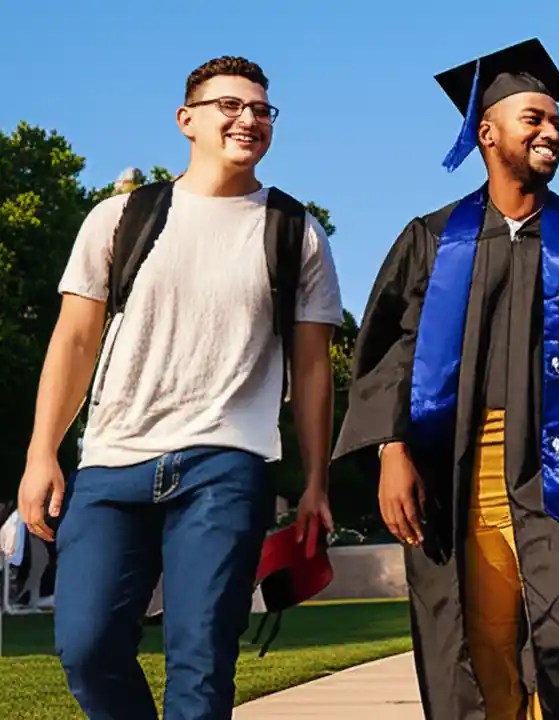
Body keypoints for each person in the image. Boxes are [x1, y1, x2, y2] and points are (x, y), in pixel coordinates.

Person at [333, 38, 559, 720]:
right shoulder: (432, 238)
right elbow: (390, 351)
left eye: (557, 123)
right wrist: (392, 450)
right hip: (454, 471)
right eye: (534, 119)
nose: (551, 133)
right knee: (473, 647)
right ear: (487, 133)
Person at [17, 56, 343, 719]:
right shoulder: (120, 217)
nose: (248, 119)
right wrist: (40, 452)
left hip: (226, 463)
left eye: (260, 109)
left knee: (201, 659)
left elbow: (312, 370)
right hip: (113, 461)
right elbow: (75, 342)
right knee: (87, 647)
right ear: (186, 120)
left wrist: (315, 483)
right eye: (230, 105)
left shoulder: (294, 232)